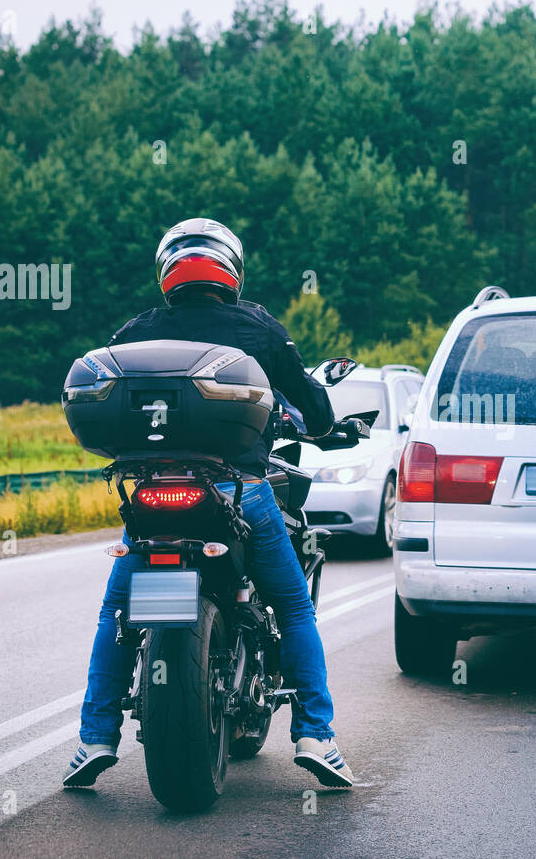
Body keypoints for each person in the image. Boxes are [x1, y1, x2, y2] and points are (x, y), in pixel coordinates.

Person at [63, 217, 354, 789]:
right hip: (238, 490)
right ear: (232, 269)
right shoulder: (260, 328)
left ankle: (95, 737)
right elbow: (313, 409)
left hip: (148, 495)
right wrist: (330, 425)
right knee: (294, 606)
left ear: (168, 270)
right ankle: (316, 735)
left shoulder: (136, 333)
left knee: (115, 613)